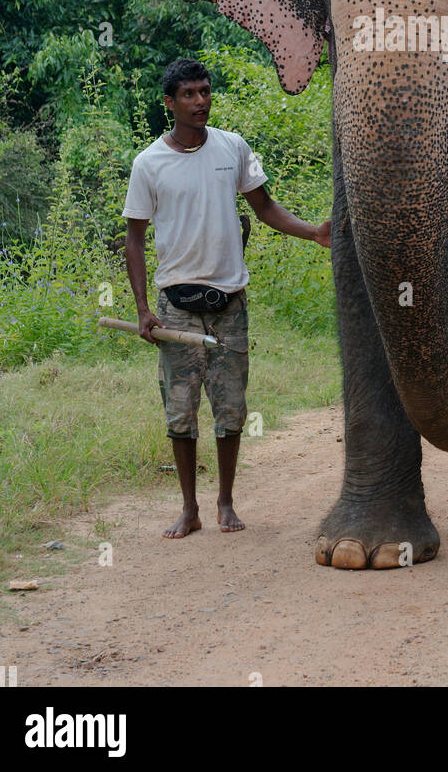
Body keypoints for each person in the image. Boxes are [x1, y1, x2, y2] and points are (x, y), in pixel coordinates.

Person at [123, 58, 331, 539]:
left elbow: (265, 207)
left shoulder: (232, 148)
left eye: (205, 91)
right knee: (180, 413)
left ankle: (225, 502)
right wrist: (142, 310)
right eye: (189, 94)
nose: (200, 101)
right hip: (175, 307)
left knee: (231, 411)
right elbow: (134, 238)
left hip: (229, 305)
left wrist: (313, 233)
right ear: (169, 102)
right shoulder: (148, 163)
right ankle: (189, 508)